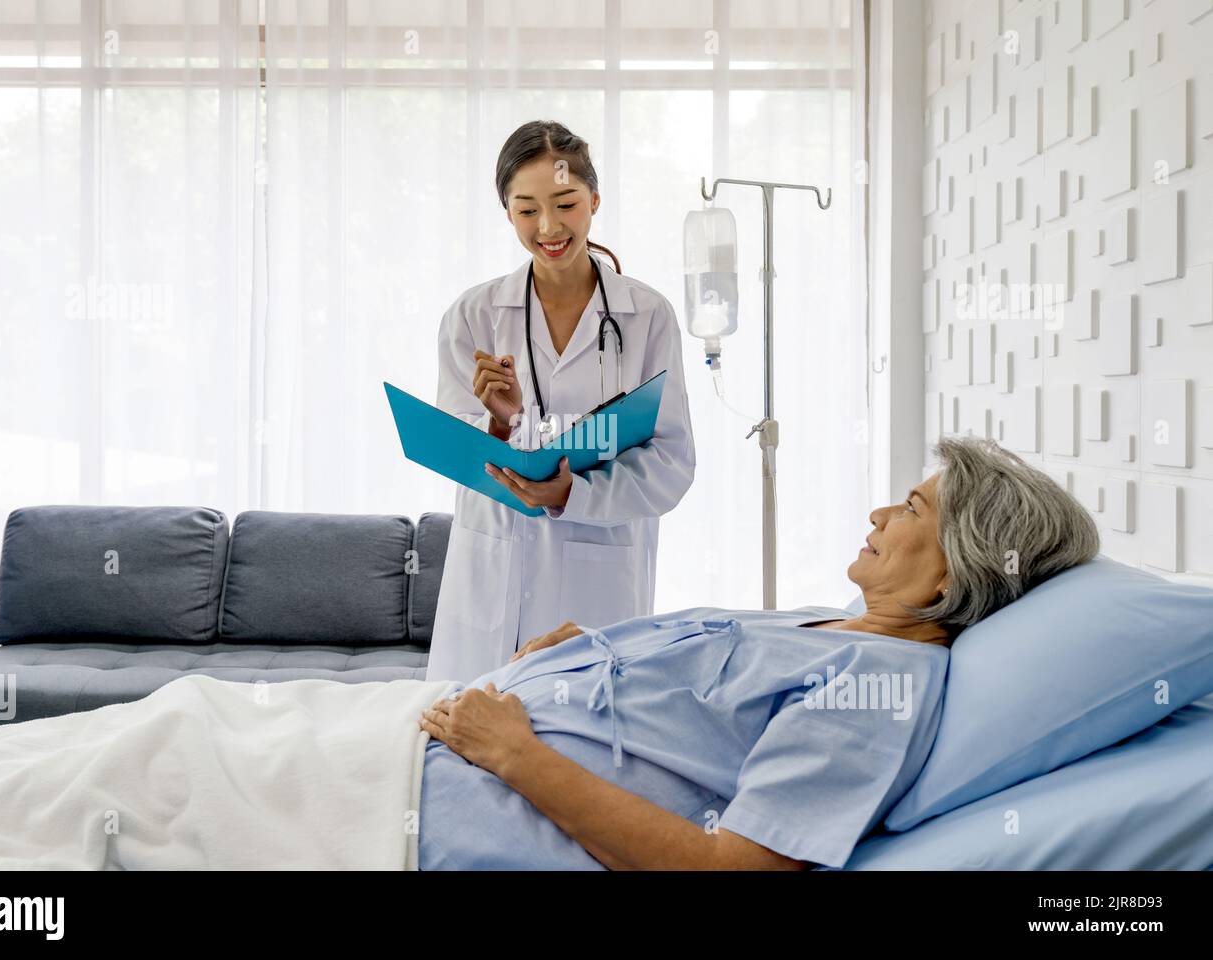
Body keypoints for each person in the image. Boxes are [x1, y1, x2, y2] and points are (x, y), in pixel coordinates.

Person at [417, 436, 1101, 869]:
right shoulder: (838, 625)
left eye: (912, 511)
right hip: (440, 734)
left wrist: (516, 752)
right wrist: (585, 655)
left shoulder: (879, 686)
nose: (879, 517)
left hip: (431, 807)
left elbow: (733, 868)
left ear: (957, 570)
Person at [426, 120, 696, 683]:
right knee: (467, 746)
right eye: (527, 210)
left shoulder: (647, 317)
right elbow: (454, 443)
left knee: (581, 744)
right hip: (493, 568)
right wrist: (500, 426)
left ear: (594, 200)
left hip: (598, 578)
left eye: (566, 203)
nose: (548, 226)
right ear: (507, 213)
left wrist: (574, 492)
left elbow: (671, 463)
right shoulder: (474, 315)